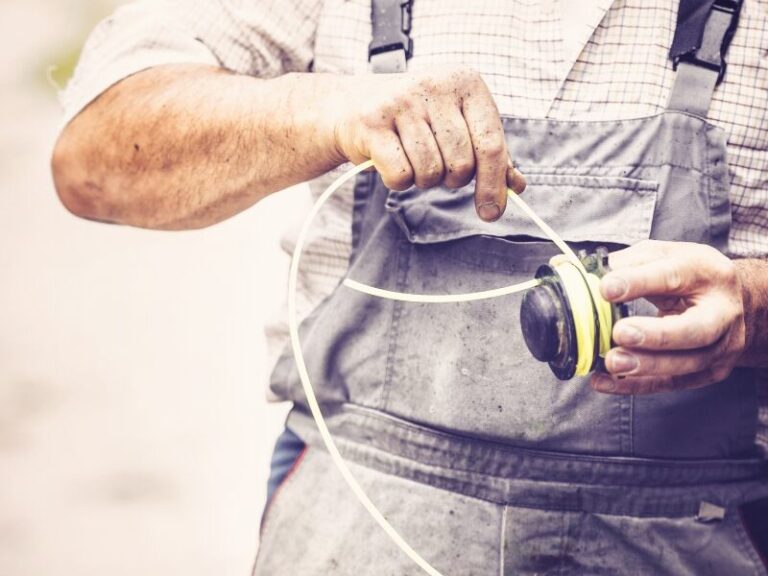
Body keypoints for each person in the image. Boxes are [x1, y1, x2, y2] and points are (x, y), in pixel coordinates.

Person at [51, 0, 768, 573]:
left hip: (705, 531)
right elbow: (92, 162)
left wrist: (754, 307)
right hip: (356, 526)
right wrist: (327, 112)